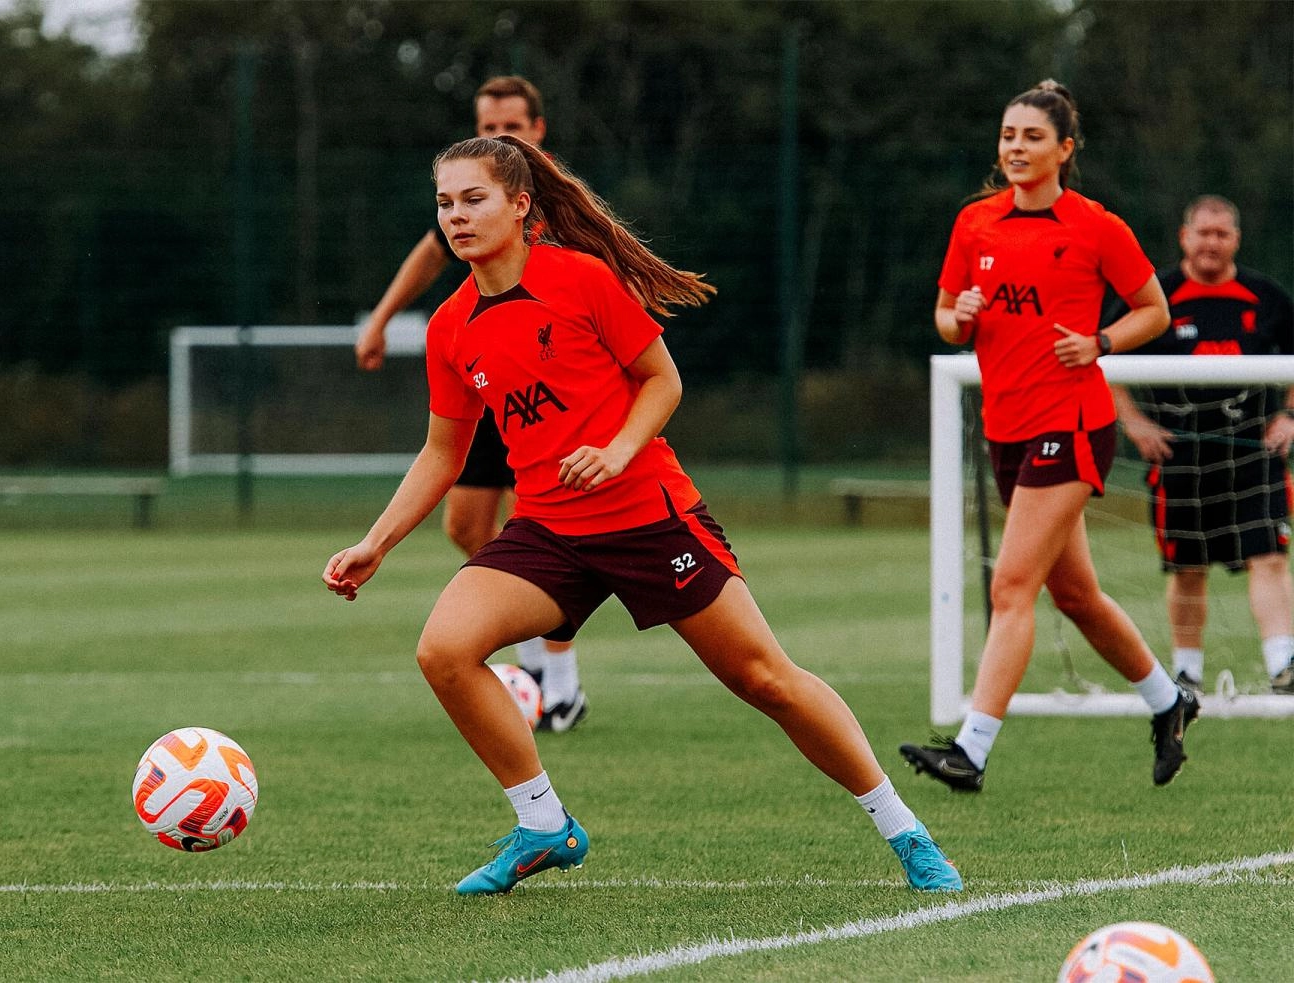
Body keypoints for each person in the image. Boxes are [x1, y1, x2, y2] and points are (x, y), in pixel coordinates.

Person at [324, 135, 962, 895]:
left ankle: (906, 831)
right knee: (444, 649)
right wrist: (377, 542)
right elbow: (441, 454)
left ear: (520, 205)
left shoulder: (581, 279)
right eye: (444, 202)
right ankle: (542, 825)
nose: (455, 216)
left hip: (649, 519)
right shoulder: (451, 327)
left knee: (766, 680)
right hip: (550, 532)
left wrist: (620, 448)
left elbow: (663, 381)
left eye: (473, 198)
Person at [900, 80, 1197, 793]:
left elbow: (1153, 310)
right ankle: (1170, 701)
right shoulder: (975, 224)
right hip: (1007, 427)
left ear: (1066, 149)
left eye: (1033, 137)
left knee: (1010, 585)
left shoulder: (1096, 225)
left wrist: (1099, 342)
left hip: (1073, 425)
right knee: (1078, 596)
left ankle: (970, 749)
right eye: (1008, 135)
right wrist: (961, 314)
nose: (1016, 148)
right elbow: (945, 318)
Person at [355, 76, 586, 730]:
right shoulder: (470, 197)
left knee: (542, 527)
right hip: (487, 379)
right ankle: (530, 649)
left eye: (511, 124)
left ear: (537, 130)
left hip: (551, 390)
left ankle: (559, 684)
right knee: (465, 526)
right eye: (489, 123)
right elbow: (429, 256)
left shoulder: (552, 206)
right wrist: (380, 319)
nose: (500, 134)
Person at [1107, 195, 1294, 695]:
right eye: (1203, 233)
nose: (1212, 243)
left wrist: (1289, 416)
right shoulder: (1154, 297)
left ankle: (1284, 666)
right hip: (1178, 454)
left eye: (1222, 234)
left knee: (1270, 557)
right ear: (1184, 237)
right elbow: (1101, 354)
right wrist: (1135, 423)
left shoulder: (1266, 297)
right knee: (1187, 567)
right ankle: (1187, 672)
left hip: (1254, 451)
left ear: (1236, 239)